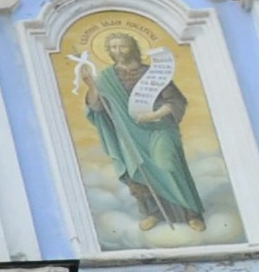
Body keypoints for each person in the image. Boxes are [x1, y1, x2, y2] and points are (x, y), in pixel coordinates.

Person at [78, 32, 210, 232]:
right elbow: (97, 108)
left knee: (167, 163)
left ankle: (191, 212)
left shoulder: (153, 73)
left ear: (133, 48)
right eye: (113, 47)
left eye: (123, 46)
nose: (118, 51)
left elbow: (175, 101)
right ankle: (153, 213)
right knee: (137, 170)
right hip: (129, 133)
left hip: (160, 128)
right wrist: (91, 86)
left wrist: (154, 115)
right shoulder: (106, 78)